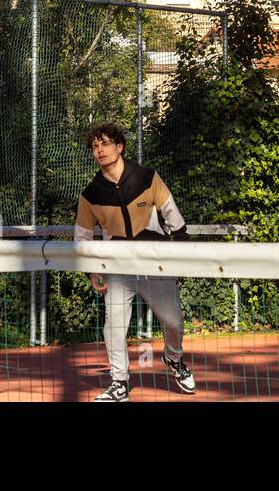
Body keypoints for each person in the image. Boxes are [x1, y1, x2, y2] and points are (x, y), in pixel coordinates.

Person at [75, 122, 196, 403]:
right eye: (94, 147)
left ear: (120, 147)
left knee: (173, 321)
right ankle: (120, 382)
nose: (99, 151)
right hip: (116, 267)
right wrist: (91, 271)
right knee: (114, 325)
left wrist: (181, 254)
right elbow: (81, 238)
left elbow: (171, 213)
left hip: (155, 261)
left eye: (105, 144)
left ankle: (173, 359)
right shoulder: (90, 194)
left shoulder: (147, 177)